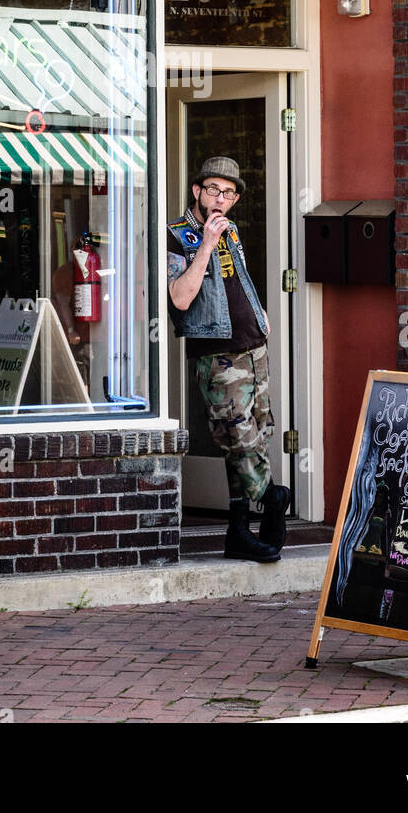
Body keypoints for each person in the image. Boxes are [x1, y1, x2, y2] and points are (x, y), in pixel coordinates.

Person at [167, 156, 290, 563]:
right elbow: (180, 298)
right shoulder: (176, 236)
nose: (220, 199)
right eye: (213, 190)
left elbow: (237, 281)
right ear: (196, 192)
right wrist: (205, 243)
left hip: (254, 348)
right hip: (218, 356)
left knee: (257, 435)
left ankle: (240, 532)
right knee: (239, 437)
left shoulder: (232, 230)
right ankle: (273, 501)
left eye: (228, 192)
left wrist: (259, 314)